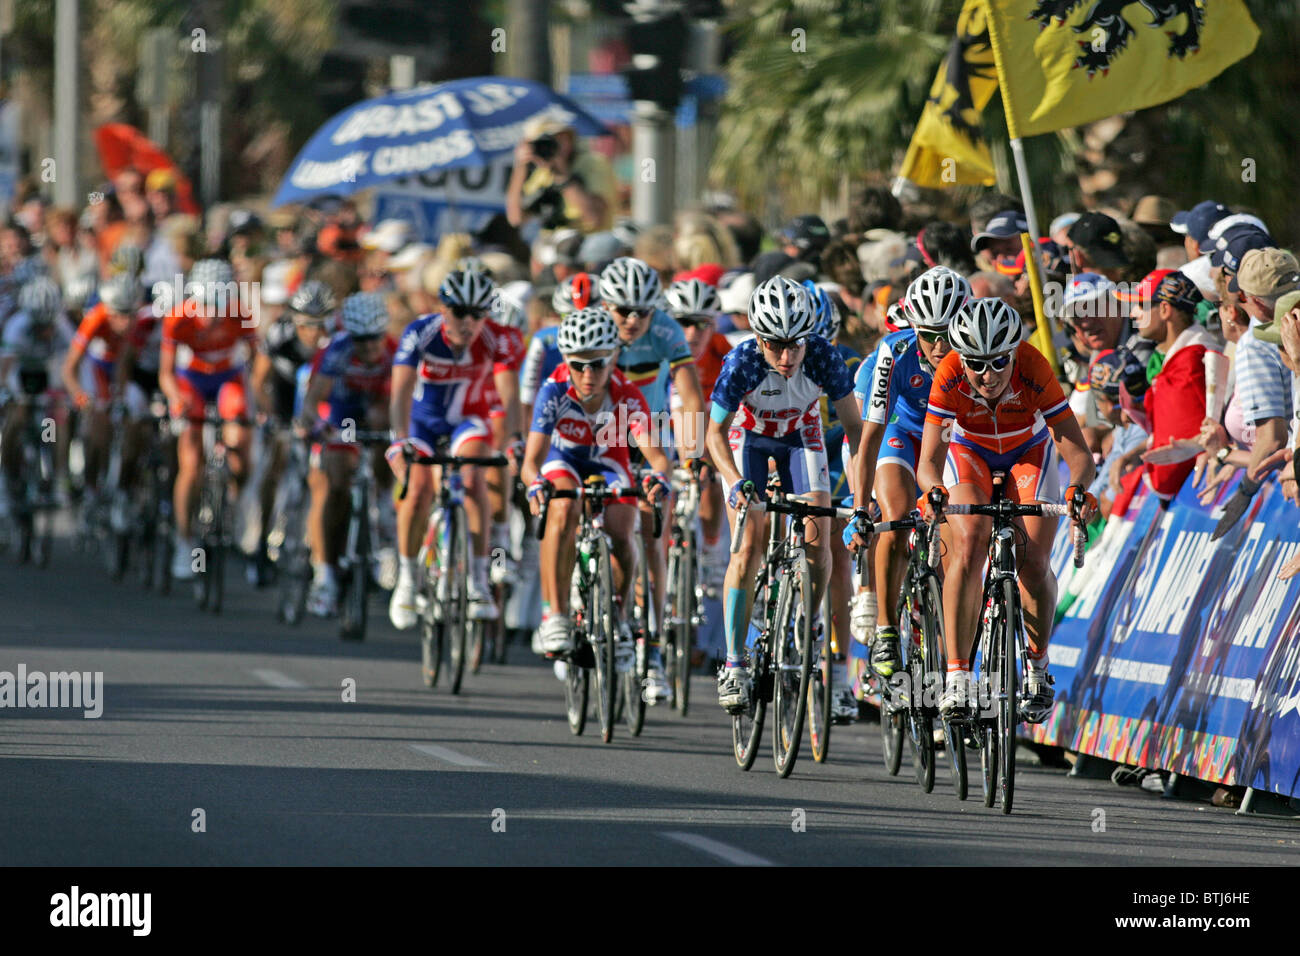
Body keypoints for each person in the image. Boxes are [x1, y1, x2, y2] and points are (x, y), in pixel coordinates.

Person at [916, 298, 1097, 722]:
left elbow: (1080, 454)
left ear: (1013, 352)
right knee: (968, 542)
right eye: (977, 363)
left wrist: (1077, 490)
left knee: (1034, 560)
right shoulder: (949, 375)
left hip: (1028, 451)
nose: (989, 375)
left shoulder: (1033, 367)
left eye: (999, 362)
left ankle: (1037, 666)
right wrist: (935, 492)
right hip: (970, 451)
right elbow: (927, 461)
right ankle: (959, 676)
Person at [707, 276, 861, 713]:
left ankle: (810, 622)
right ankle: (734, 663)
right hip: (749, 439)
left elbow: (855, 431)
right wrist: (734, 480)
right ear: (758, 337)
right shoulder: (743, 363)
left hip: (801, 436)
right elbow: (714, 433)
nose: (788, 356)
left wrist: (862, 491)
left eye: (796, 344)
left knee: (820, 525)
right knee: (750, 539)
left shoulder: (824, 358)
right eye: (775, 345)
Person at [522, 307, 672, 699]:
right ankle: (555, 614)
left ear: (614, 358)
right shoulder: (553, 391)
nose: (588, 375)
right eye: (578, 365)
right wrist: (534, 483)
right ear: (566, 362)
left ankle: (619, 619)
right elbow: (531, 461)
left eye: (598, 364)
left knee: (624, 532)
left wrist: (657, 476)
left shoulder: (626, 394)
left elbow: (655, 455)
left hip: (610, 463)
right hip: (564, 461)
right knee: (562, 507)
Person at [845, 266, 968, 681]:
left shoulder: (975, 354)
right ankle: (885, 629)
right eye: (928, 333)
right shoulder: (892, 353)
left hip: (949, 437)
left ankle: (955, 657)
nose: (938, 345)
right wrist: (861, 508)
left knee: (958, 538)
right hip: (902, 430)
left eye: (948, 334)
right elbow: (868, 440)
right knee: (895, 517)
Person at [387, 270, 512, 628]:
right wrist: (399, 440)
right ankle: (408, 581)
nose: (469, 322)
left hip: (466, 423)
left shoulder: (493, 337)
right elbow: (399, 394)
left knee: (474, 479)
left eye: (479, 313)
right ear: (443, 308)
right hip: (421, 424)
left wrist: (513, 440)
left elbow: (508, 394)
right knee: (418, 490)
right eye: (460, 312)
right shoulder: (420, 333)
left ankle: (477, 581)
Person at [599, 257, 705, 629]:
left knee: (651, 532)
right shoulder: (593, 327)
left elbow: (690, 395)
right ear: (605, 306)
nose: (632, 320)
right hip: (602, 429)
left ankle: (654, 636)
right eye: (624, 311)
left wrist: (692, 455)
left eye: (641, 311)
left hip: (650, 429)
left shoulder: (665, 330)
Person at [296, 293, 397, 616]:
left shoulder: (396, 352)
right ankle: (325, 573)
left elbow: (407, 401)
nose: (368, 348)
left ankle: (382, 502)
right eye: (361, 341)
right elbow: (313, 401)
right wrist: (317, 425)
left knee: (387, 424)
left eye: (374, 339)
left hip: (378, 410)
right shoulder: (337, 350)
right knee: (336, 479)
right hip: (343, 415)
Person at [158, 259, 258, 581]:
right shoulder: (178, 317)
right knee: (190, 462)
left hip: (228, 378)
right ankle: (183, 541)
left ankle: (234, 500)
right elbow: (166, 373)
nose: (211, 315)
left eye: (218, 307)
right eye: (205, 307)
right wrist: (176, 400)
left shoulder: (240, 312)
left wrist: (258, 402)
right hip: (192, 381)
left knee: (240, 441)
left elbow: (256, 362)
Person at [506, 117, 615, 234]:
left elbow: (594, 218)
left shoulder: (592, 163)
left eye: (562, 138)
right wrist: (520, 168)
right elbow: (516, 219)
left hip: (589, 242)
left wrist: (562, 175)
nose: (560, 144)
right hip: (554, 244)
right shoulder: (542, 174)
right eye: (542, 143)